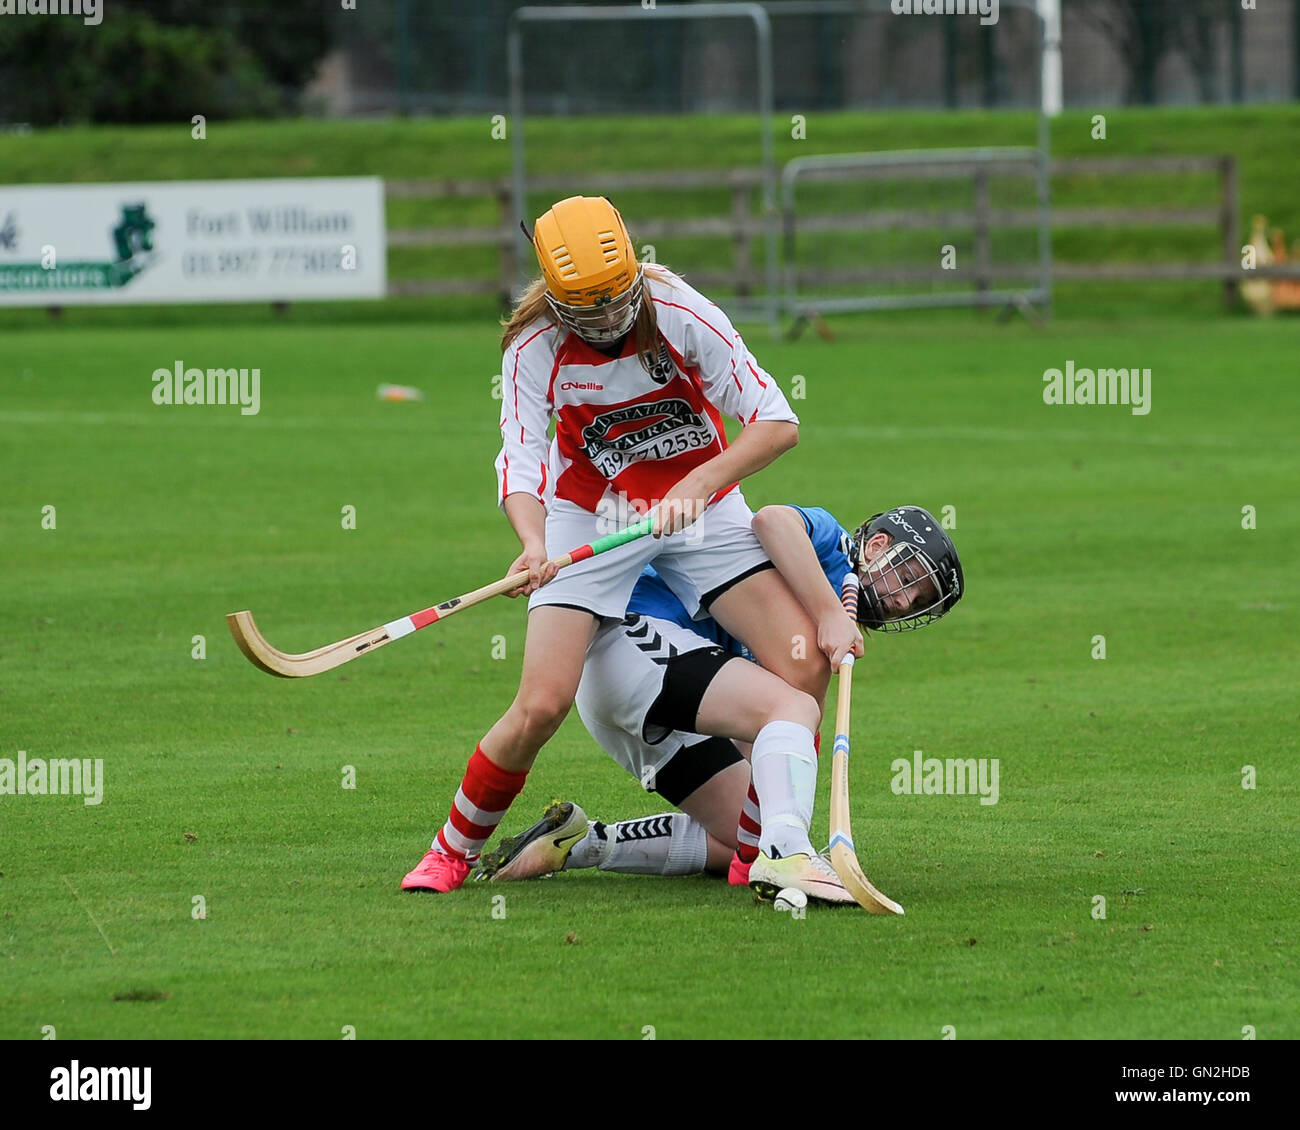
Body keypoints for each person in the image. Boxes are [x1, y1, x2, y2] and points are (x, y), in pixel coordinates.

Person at [402, 196, 839, 895]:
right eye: (589, 311)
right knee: (542, 702)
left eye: (618, 302)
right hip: (591, 514)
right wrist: (532, 541)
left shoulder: (680, 311)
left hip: (704, 504)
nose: (610, 320)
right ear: (557, 299)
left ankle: (759, 850)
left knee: (803, 665)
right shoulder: (533, 345)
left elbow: (777, 421)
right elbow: (519, 458)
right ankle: (452, 851)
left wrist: (702, 479)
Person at [474, 504, 964, 904]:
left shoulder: (827, 644)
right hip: (635, 640)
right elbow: (771, 519)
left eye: (920, 599)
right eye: (909, 579)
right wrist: (830, 612)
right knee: (778, 761)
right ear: (878, 545)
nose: (905, 601)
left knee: (737, 837)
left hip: (688, 696)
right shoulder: (831, 543)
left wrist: (778, 825)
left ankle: (581, 842)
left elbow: (763, 738)